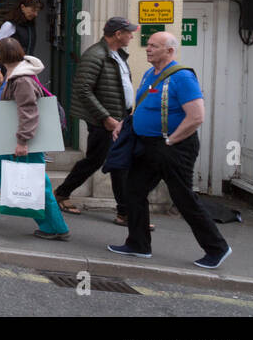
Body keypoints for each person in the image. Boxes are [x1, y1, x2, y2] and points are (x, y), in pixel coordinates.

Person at [108, 31, 231, 269]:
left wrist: (171, 140)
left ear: (170, 51)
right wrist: (125, 123)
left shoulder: (182, 77)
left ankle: (218, 248)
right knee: (133, 190)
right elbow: (142, 106)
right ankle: (138, 245)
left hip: (173, 147)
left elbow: (196, 117)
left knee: (184, 199)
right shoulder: (149, 74)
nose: (148, 49)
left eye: (154, 46)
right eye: (148, 45)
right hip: (148, 146)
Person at [0, 37, 70, 240]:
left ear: (0, 57)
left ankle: (55, 227)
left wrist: (22, 141)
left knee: (38, 184)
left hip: (22, 141)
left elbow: (28, 111)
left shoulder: (22, 80)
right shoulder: (20, 73)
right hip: (11, 139)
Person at [54, 16, 149, 227]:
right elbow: (83, 89)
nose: (132, 36)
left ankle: (64, 193)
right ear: (117, 34)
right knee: (107, 162)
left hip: (119, 117)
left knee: (109, 161)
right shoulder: (95, 55)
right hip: (105, 120)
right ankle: (124, 212)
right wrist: (105, 118)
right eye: (129, 32)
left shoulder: (116, 55)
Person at [0, 0, 42, 86]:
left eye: (37, 11)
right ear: (22, 7)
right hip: (11, 72)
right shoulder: (9, 25)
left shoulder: (30, 25)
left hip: (27, 70)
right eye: (33, 10)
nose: (36, 14)